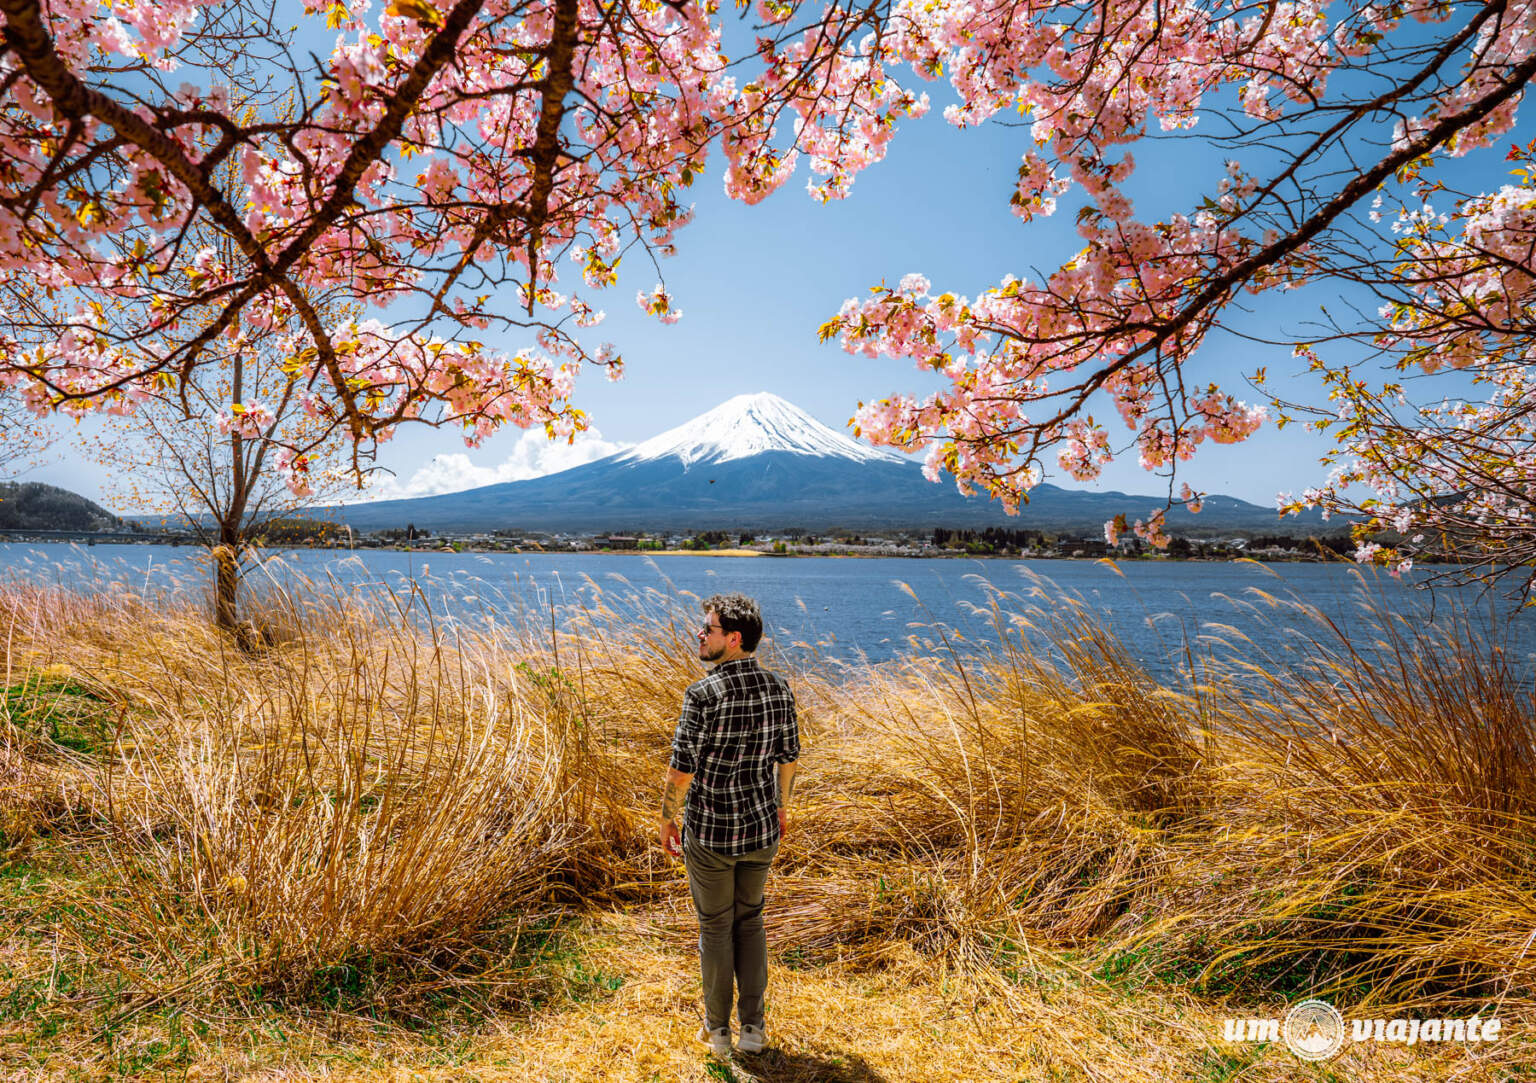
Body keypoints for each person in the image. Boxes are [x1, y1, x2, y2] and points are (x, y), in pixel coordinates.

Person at [657, 592, 799, 1059]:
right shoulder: (779, 688)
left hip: (711, 834)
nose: (699, 634)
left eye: (709, 629)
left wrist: (667, 819)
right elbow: (788, 758)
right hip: (761, 829)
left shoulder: (702, 695)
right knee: (750, 921)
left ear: (733, 639)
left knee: (716, 928)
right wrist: (781, 808)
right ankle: (753, 1028)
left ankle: (718, 1031)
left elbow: (681, 771)